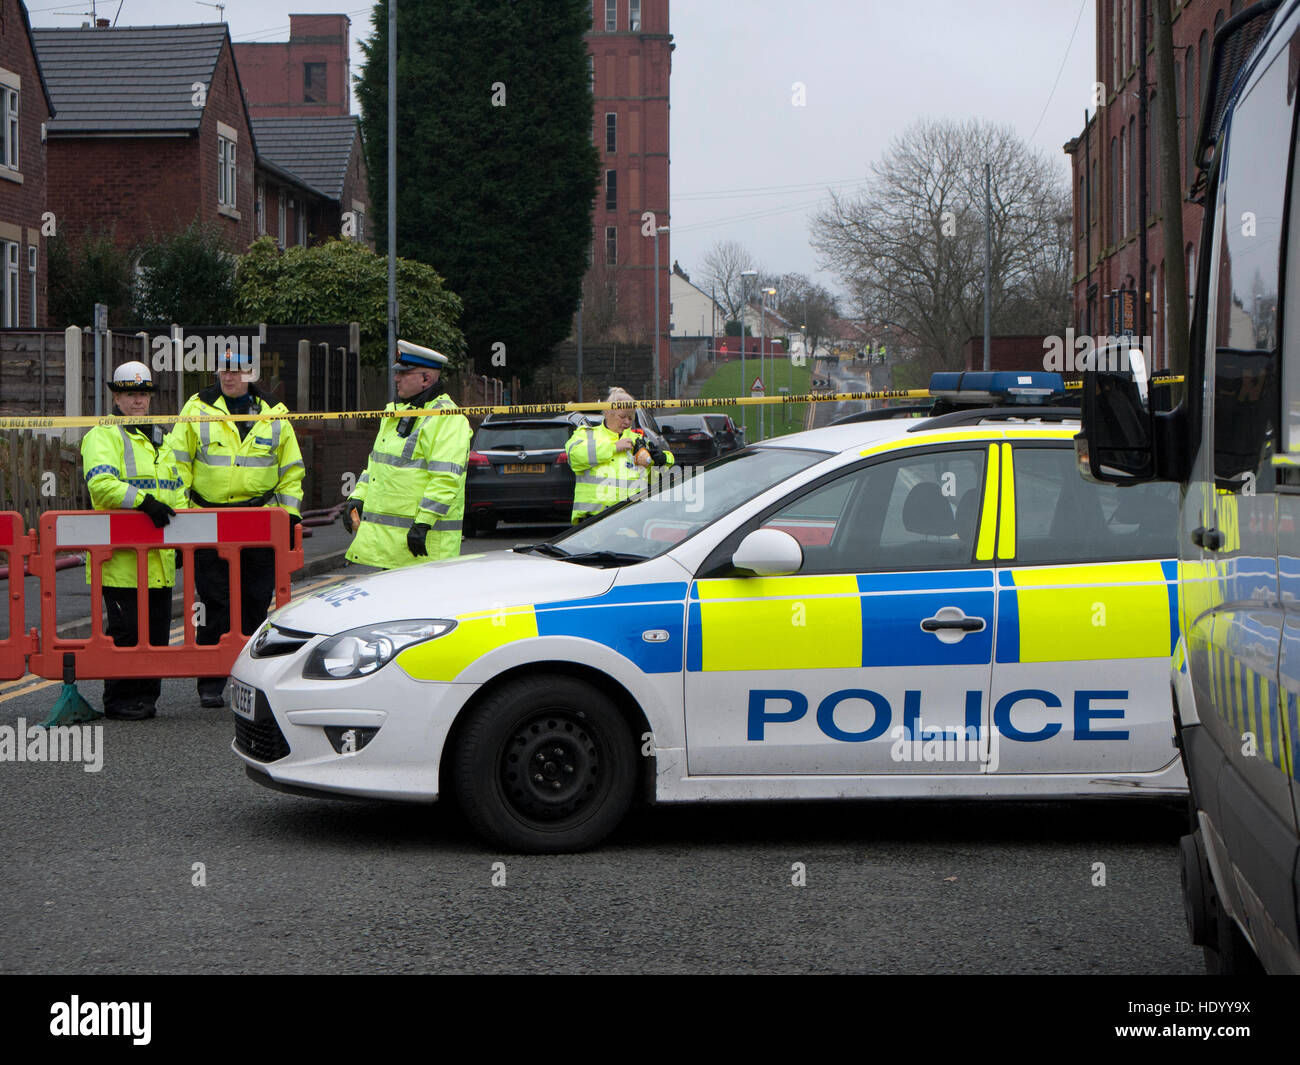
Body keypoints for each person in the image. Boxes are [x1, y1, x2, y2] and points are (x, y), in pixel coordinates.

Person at [167, 348, 305, 708]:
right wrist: (181, 517)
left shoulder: (274, 414)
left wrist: (289, 516)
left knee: (256, 601)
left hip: (260, 520)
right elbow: (175, 465)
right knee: (214, 600)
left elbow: (291, 470)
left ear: (250, 373)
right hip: (208, 519)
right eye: (224, 371)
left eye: (237, 371)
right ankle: (210, 681)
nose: (229, 377)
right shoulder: (196, 409)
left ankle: (250, 679)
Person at [80, 361, 186, 720]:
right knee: (127, 632)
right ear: (116, 397)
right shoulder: (103, 435)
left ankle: (146, 698)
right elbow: (102, 485)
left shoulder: (161, 437)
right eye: (130, 394)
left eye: (143, 393)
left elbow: (177, 490)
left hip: (159, 557)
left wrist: (185, 538)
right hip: (122, 562)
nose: (138, 400)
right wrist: (144, 502)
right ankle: (121, 700)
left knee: (156, 633)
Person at [343, 340, 471, 569]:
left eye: (404, 373)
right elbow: (376, 465)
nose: (396, 379)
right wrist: (357, 498)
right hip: (391, 549)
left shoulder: (447, 419)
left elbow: (445, 479)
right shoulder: (396, 414)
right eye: (397, 373)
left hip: (426, 548)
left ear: (426, 379)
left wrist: (423, 523)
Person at [565, 387, 673, 524]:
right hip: (593, 521)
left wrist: (663, 460)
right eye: (622, 417)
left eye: (630, 418)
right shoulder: (587, 434)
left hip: (631, 519)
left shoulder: (639, 440)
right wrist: (614, 447)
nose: (627, 422)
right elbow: (574, 457)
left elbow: (657, 478)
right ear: (608, 413)